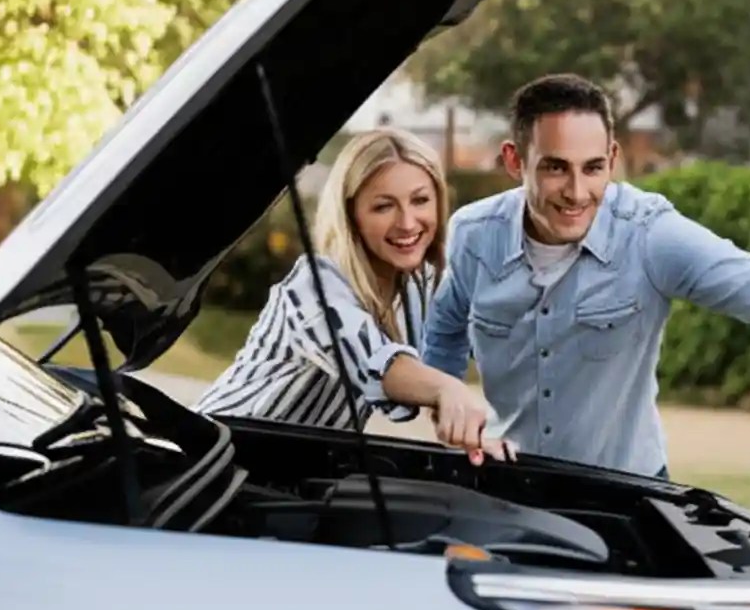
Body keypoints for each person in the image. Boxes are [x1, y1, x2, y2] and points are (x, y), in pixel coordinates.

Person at [421, 73, 750, 479]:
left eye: (593, 168)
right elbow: (444, 334)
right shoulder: (473, 234)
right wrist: (448, 404)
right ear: (515, 160)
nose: (577, 192)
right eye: (556, 168)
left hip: (626, 495)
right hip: (509, 487)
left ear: (613, 159)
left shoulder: (650, 235)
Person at [194, 128, 513, 464]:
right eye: (383, 206)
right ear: (352, 216)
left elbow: (430, 382)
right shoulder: (314, 286)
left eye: (420, 200)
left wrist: (474, 437)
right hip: (208, 465)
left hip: (291, 474)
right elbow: (379, 365)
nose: (407, 222)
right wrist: (449, 389)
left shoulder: (421, 284)